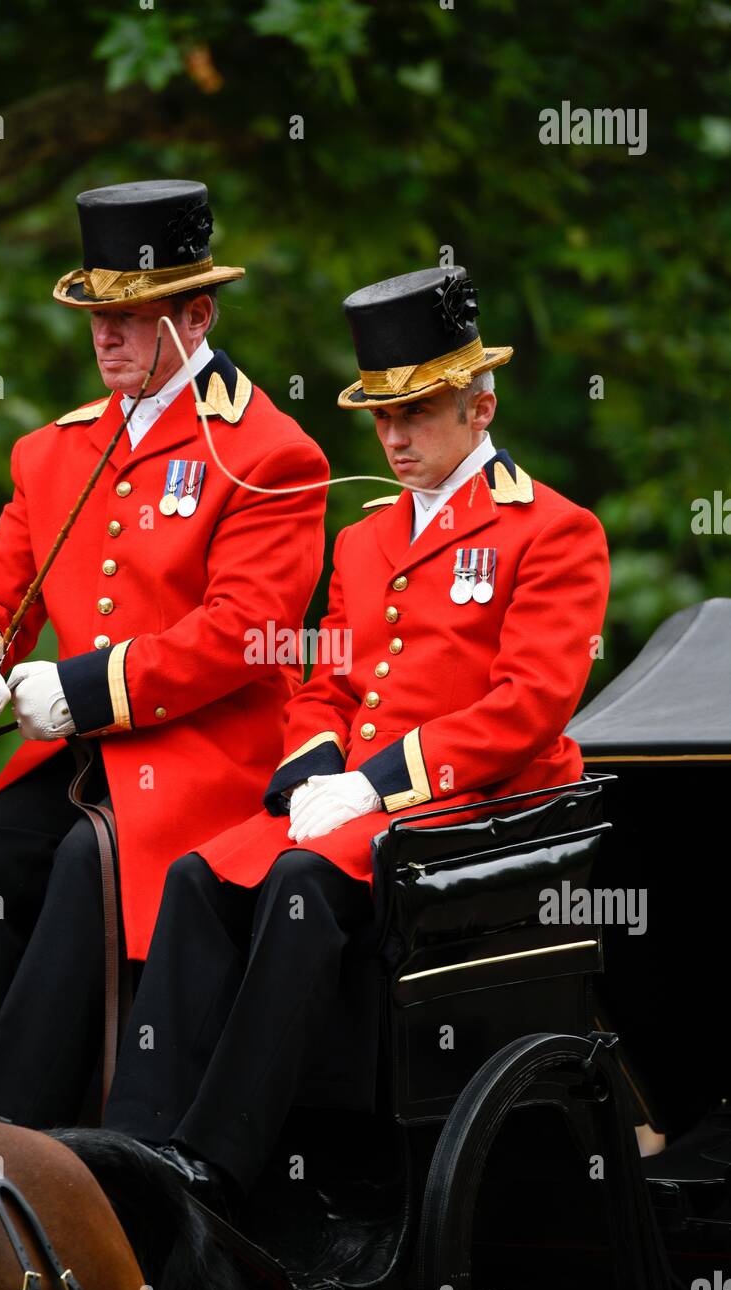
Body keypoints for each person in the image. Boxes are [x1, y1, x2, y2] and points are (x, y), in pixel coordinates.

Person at [101, 265, 612, 1213]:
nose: (393, 437)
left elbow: (530, 704)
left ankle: (217, 1160)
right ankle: (133, 1141)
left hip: (480, 806)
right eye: (382, 416)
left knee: (298, 884)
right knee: (197, 874)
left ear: (481, 406)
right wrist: (311, 770)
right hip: (358, 801)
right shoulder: (365, 539)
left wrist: (376, 783)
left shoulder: (555, 530)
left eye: (417, 413)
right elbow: (328, 681)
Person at [0, 179, 329, 1128]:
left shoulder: (272, 452)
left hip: (209, 760)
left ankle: (10, 1147)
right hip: (86, 756)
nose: (104, 336)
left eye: (129, 316)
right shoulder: (53, 449)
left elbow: (246, 629)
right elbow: (0, 583)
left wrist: (87, 688)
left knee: (92, 861)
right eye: (95, 314)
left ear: (196, 316)